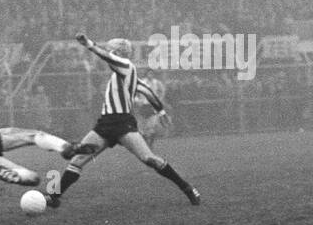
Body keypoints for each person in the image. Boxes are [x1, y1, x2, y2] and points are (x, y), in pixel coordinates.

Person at [47, 35, 200, 208]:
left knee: (149, 158)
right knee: (77, 161)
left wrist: (89, 45)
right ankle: (53, 196)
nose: (109, 52)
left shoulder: (126, 66)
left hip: (122, 124)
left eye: (112, 50)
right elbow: (148, 92)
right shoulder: (122, 75)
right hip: (104, 124)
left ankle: (187, 188)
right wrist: (161, 111)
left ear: (119, 53)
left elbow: (106, 57)